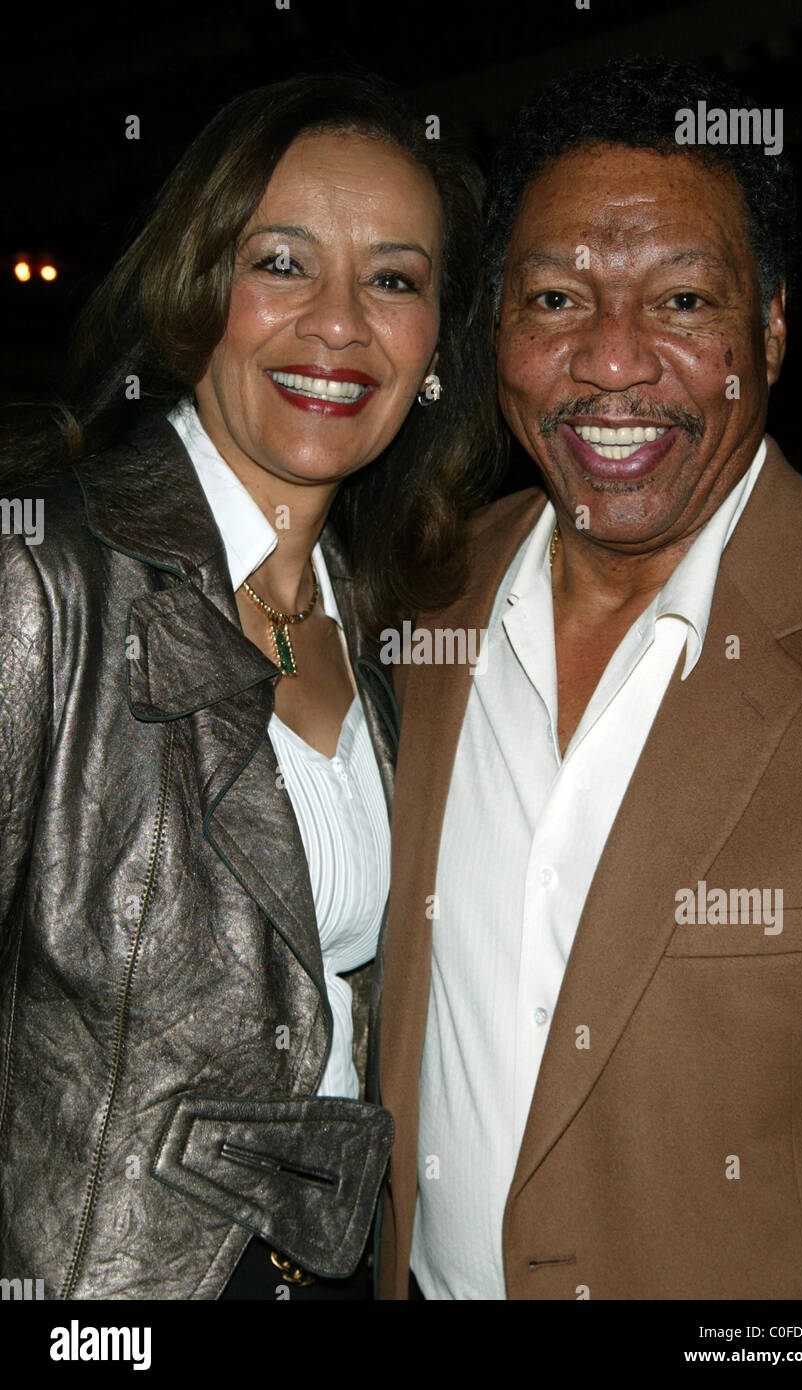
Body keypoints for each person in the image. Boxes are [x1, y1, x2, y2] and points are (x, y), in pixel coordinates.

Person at [0, 71, 498, 1300]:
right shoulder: (45, 575)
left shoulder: (390, 619)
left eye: (392, 279)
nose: (338, 324)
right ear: (194, 284)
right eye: (281, 263)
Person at [378, 56, 802, 1300]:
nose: (610, 362)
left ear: (765, 328)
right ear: (493, 330)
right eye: (553, 299)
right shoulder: (413, 600)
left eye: (681, 301)